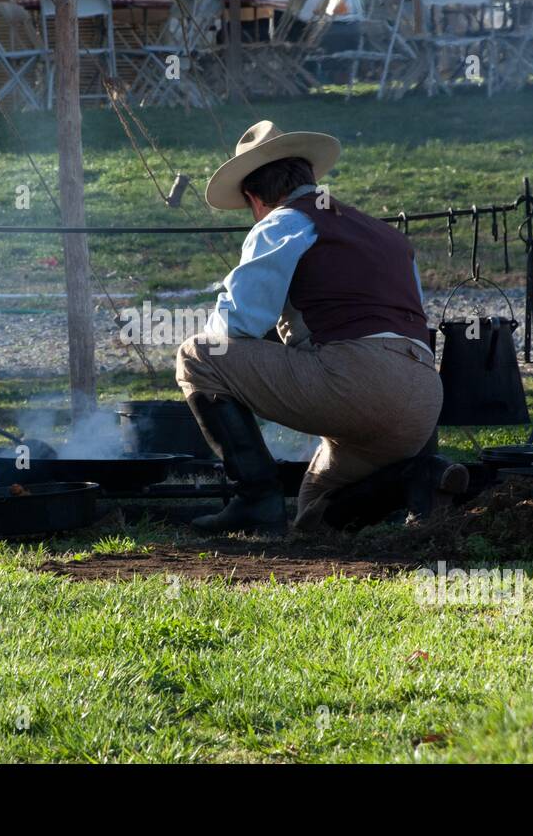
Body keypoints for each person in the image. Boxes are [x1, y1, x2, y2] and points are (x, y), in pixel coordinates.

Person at [176, 120, 467, 537]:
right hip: (422, 397)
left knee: (197, 356)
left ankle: (254, 500)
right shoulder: (386, 235)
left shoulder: (281, 223)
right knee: (312, 517)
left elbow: (236, 323)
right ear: (308, 177)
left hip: (356, 380)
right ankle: (417, 476)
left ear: (254, 197)